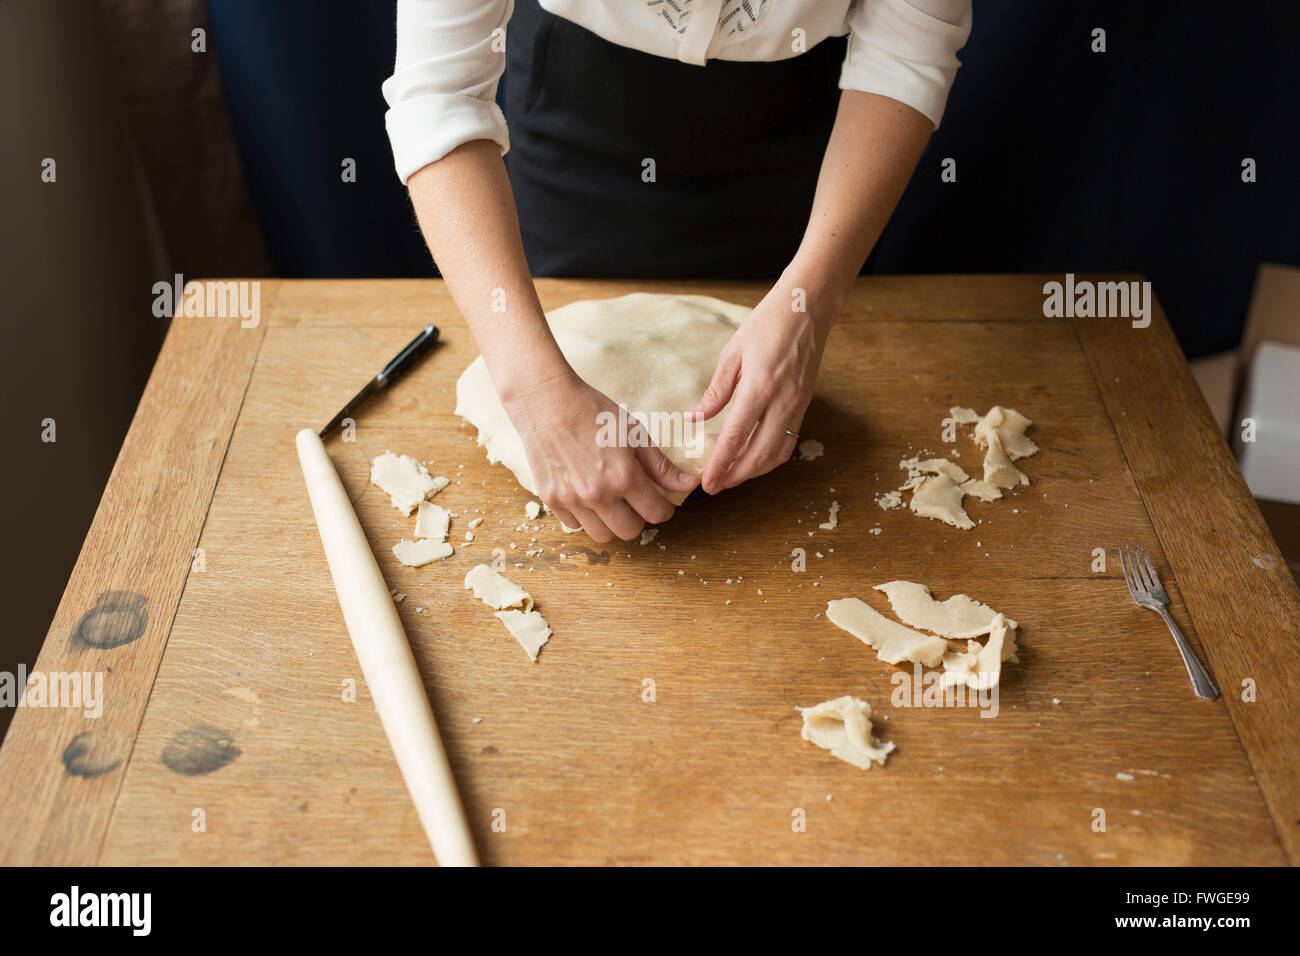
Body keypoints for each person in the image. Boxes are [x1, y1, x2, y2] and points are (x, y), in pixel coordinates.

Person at [383, 0, 971, 542]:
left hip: (810, 137)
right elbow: (440, 96)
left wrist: (811, 299)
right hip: (579, 110)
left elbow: (904, 53)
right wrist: (530, 386)